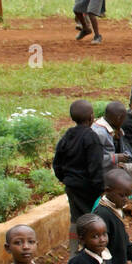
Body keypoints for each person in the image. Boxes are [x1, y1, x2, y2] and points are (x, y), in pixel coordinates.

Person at [54, 100, 107, 254]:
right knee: (93, 220)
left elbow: (57, 162)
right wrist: (100, 188)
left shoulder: (67, 136)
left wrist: (65, 179)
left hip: (72, 186)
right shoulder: (92, 138)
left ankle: (73, 253)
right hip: (88, 188)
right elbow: (95, 167)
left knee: (76, 219)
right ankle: (93, 253)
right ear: (91, 117)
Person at [92, 100, 132, 218]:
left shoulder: (114, 128)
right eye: (123, 118)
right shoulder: (99, 132)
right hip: (105, 171)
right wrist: (116, 158)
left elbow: (124, 148)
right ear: (118, 118)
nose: (124, 122)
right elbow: (94, 159)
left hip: (115, 165)